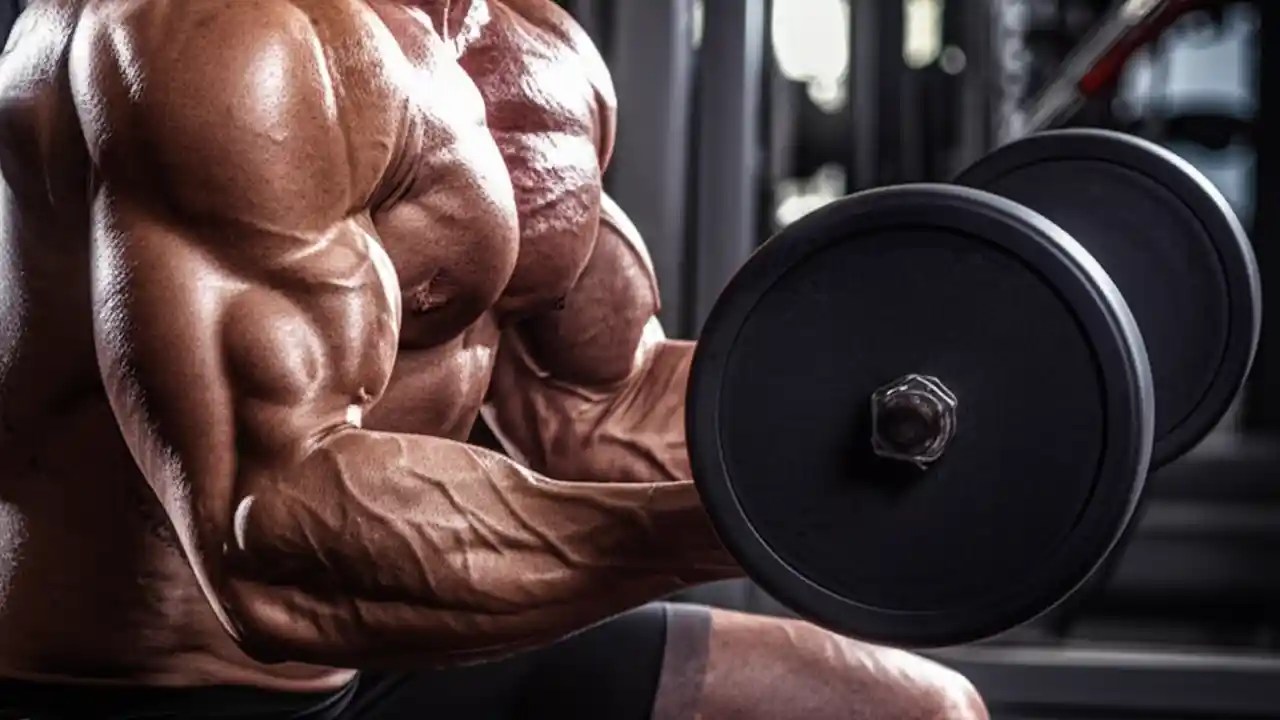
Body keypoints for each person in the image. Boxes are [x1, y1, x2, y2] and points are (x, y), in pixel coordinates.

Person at [0, 0, 988, 717]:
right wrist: (771, 519)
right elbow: (268, 541)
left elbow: (594, 406)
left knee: (912, 709)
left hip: (398, 656)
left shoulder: (529, 53)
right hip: (144, 688)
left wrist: (933, 424)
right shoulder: (220, 39)